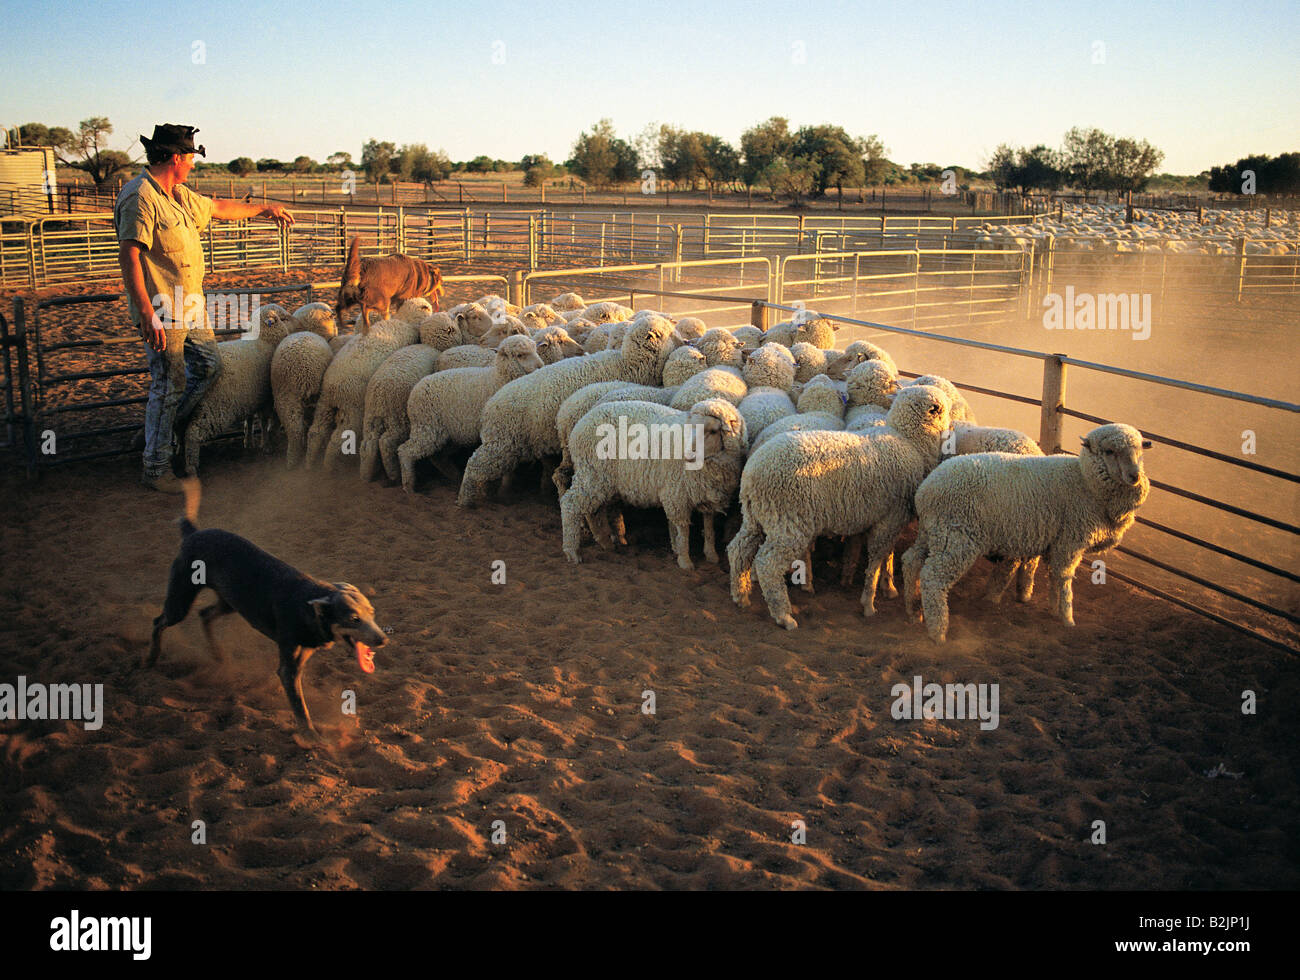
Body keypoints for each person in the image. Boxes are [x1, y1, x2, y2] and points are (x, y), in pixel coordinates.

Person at [115, 123, 293, 492]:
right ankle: (156, 467)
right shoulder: (141, 196)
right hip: (164, 307)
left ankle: (160, 432)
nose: (194, 164)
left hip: (190, 303)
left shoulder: (176, 193)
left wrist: (264, 208)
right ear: (176, 157)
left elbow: (218, 207)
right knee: (168, 384)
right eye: (192, 157)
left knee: (209, 366)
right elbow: (130, 256)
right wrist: (146, 312)